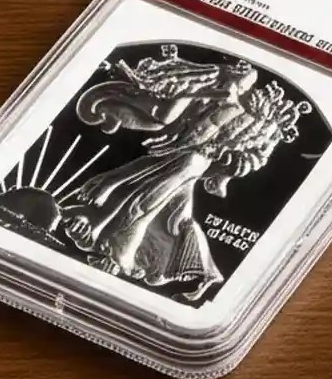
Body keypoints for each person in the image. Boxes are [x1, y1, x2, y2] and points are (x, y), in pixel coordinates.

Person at [63, 45, 314, 302]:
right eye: (234, 82)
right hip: (189, 161)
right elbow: (167, 148)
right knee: (175, 216)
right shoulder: (215, 102)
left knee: (141, 206)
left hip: (190, 161)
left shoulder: (235, 113)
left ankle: (117, 261)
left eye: (236, 85)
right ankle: (196, 270)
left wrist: (110, 180)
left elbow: (165, 157)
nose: (231, 88)